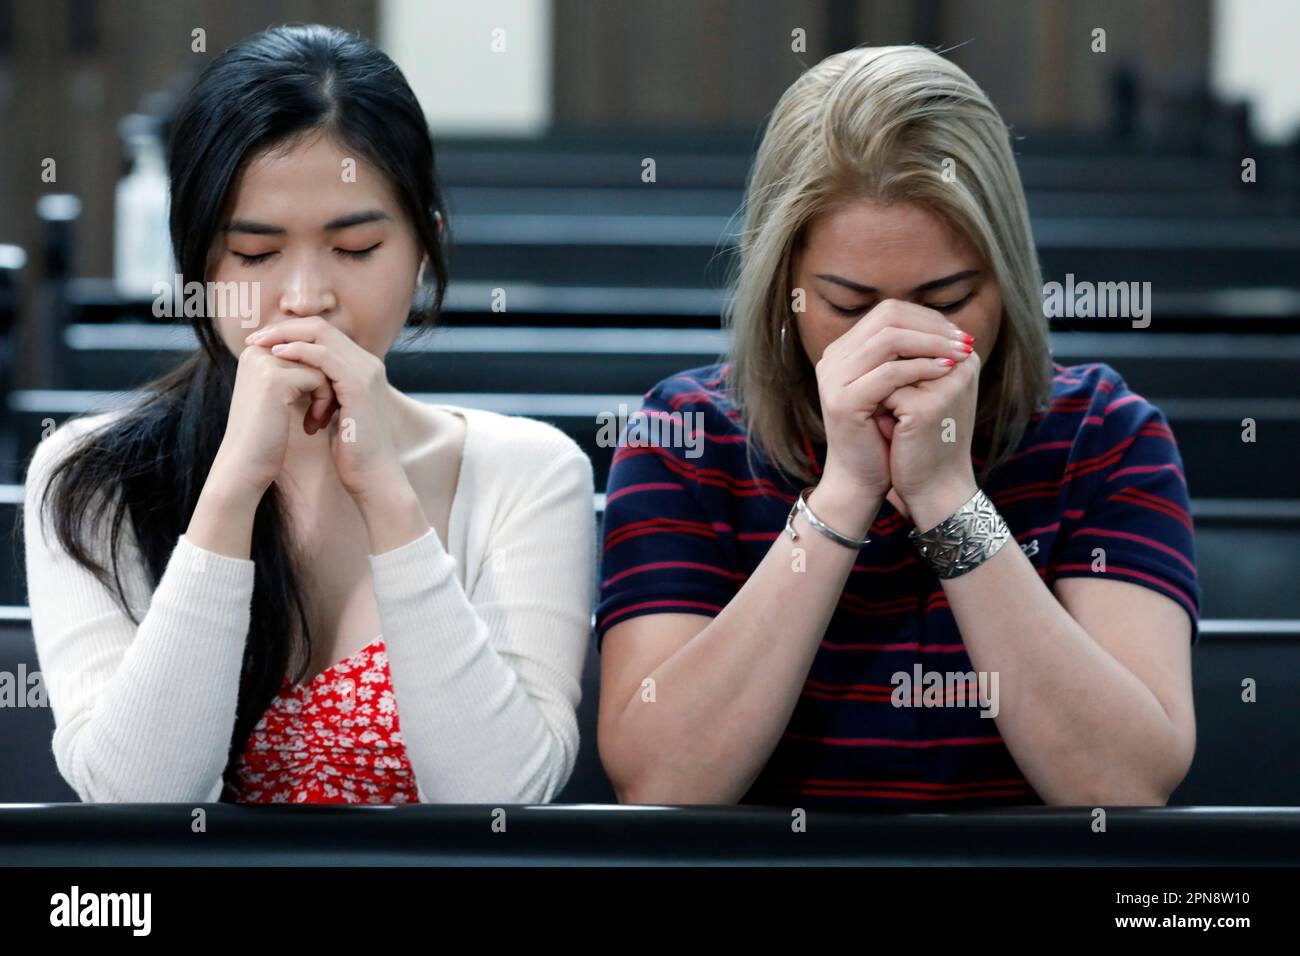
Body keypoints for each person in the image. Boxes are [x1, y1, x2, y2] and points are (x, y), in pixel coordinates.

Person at [595, 45, 1199, 810]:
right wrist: (844, 494)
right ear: (783, 285)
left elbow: (1125, 784)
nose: (896, 342)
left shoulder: (1106, 438)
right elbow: (660, 780)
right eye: (849, 305)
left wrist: (948, 497)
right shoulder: (684, 440)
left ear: (1007, 277)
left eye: (946, 298)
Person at [21, 24, 595, 804]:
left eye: (355, 248)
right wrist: (232, 490)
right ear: (196, 263)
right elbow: (139, 802)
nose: (304, 298)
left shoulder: (527, 474)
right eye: (255, 255)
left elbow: (500, 800)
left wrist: (387, 498)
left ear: (424, 247)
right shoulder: (87, 477)